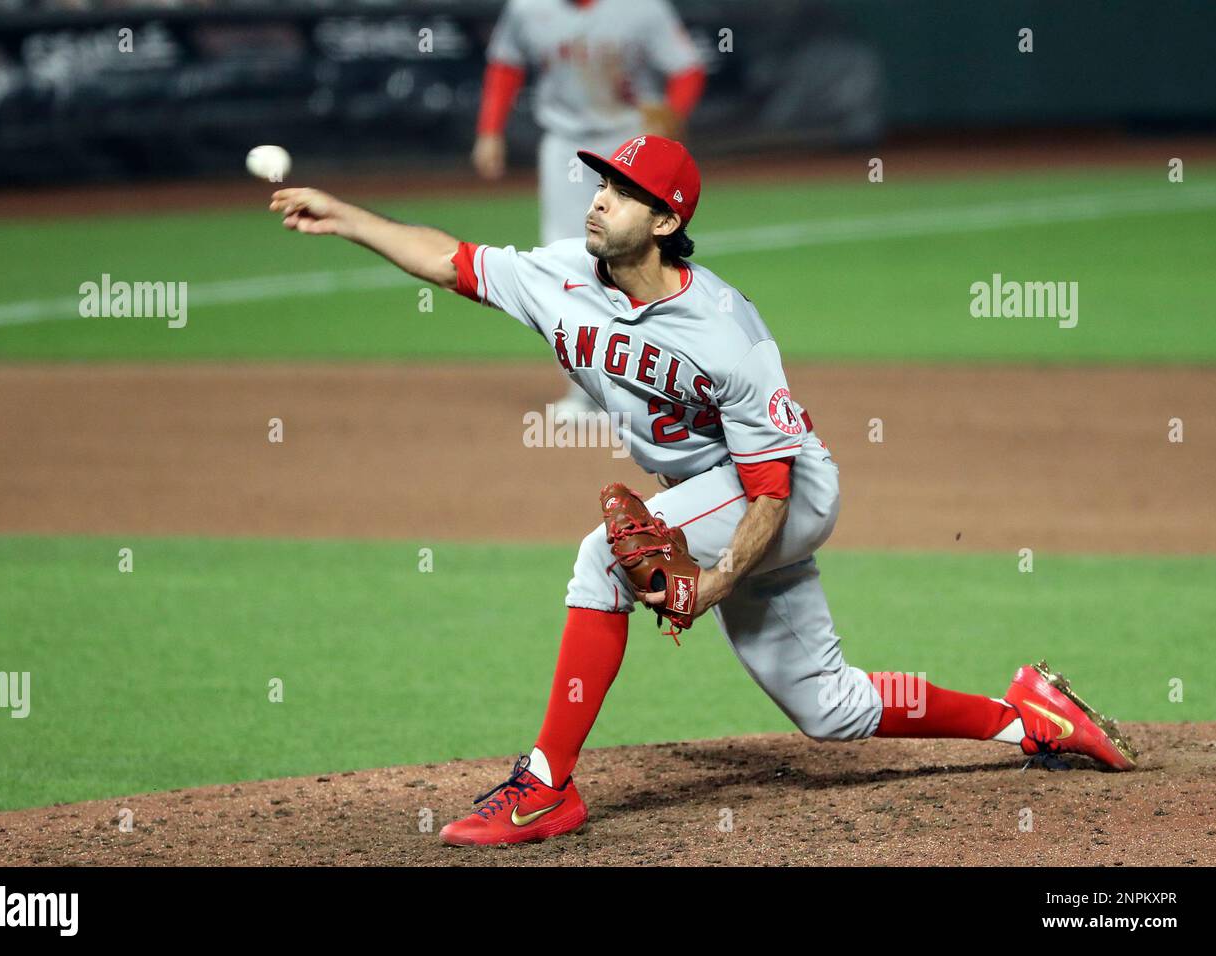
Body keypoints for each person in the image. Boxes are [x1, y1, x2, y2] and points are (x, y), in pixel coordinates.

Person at [268, 134, 1136, 849]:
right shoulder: (562, 276)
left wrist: (715, 583)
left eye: (625, 189)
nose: (601, 197)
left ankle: (544, 788)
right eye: (603, 179)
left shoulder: (726, 334)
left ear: (666, 218)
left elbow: (768, 491)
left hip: (782, 496)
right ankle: (1026, 718)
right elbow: (450, 259)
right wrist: (345, 218)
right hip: (709, 499)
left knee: (601, 558)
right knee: (828, 709)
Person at [471, 0, 705, 422]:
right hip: (564, 143)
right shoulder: (528, 9)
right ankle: (586, 390)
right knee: (564, 264)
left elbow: (687, 68)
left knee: (638, 261)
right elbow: (505, 66)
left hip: (630, 141)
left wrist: (672, 118)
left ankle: (657, 382)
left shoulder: (642, 9)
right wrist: (490, 131)